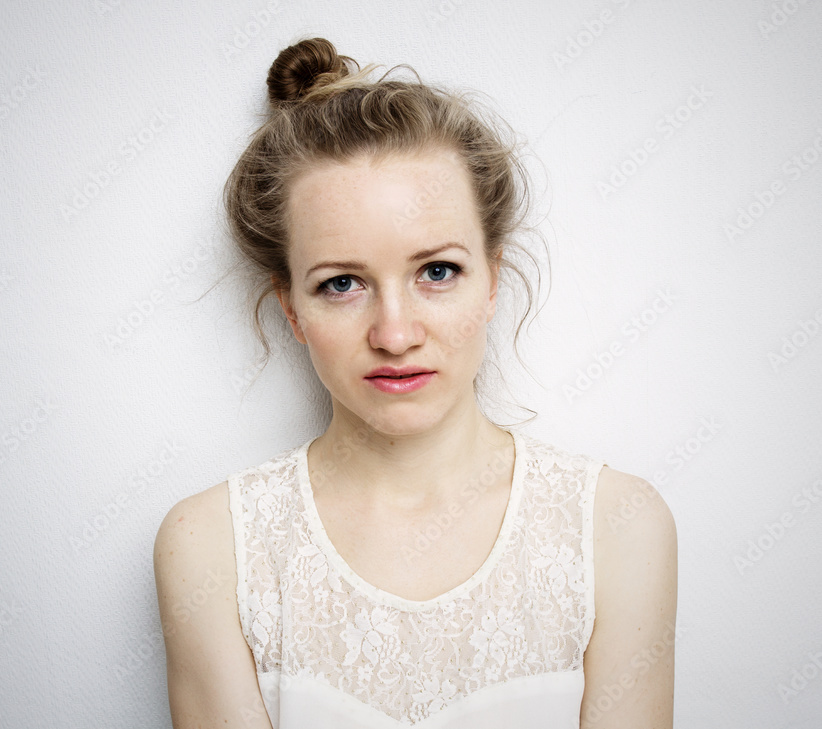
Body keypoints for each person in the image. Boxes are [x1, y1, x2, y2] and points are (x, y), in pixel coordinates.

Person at [153, 37, 677, 729]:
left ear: (491, 280)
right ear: (291, 308)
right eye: (341, 283)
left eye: (437, 272)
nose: (394, 334)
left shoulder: (620, 527)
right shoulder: (209, 545)